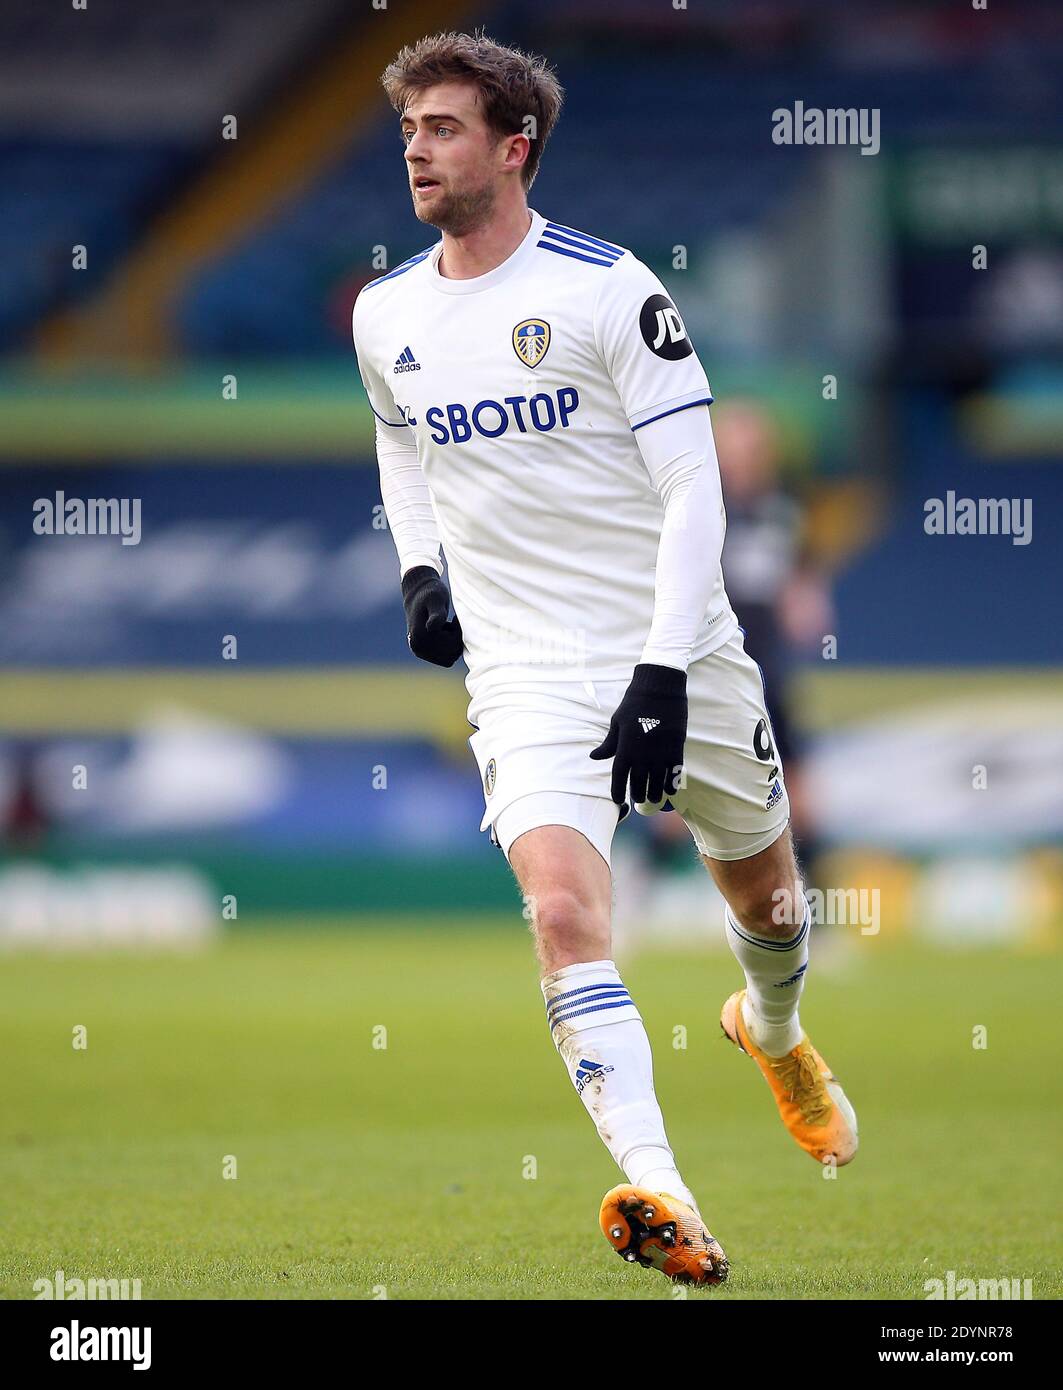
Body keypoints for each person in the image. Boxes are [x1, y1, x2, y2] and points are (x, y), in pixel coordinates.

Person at [352, 30, 857, 1287]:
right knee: (565, 912)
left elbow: (695, 494)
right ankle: (663, 1188)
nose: (416, 146)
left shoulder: (607, 289)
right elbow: (402, 453)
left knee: (769, 905)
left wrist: (664, 668)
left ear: (513, 147)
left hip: (672, 642)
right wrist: (421, 573)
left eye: (445, 126)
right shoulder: (386, 311)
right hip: (520, 666)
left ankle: (773, 1027)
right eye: (408, 127)